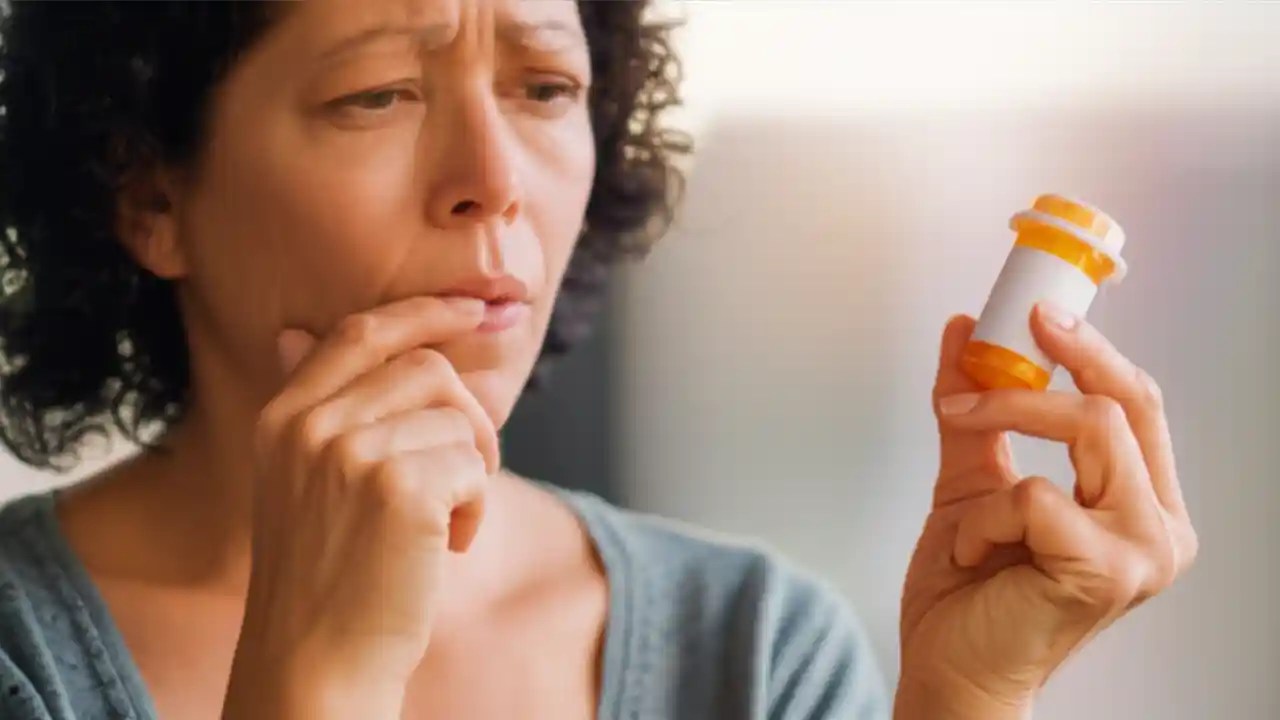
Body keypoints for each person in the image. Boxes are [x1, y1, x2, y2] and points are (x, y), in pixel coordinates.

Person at [0, 1, 1197, 719]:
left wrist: (966, 701)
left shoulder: (752, 647)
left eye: (544, 87)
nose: (493, 180)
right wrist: (315, 682)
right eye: (376, 94)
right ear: (149, 193)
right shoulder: (24, 654)